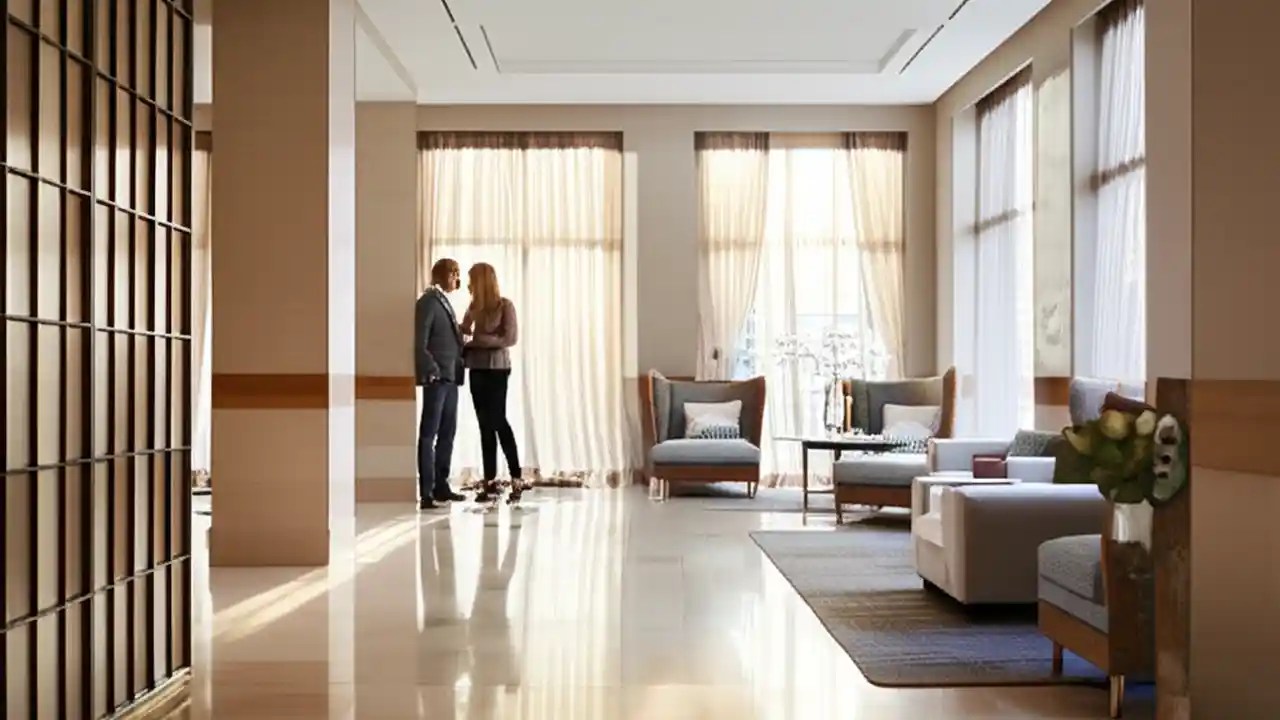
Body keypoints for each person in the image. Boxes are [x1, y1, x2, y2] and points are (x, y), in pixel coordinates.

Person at [459, 262, 523, 503]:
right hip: (476, 369)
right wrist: (460, 332)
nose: (469, 284)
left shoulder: (505, 306)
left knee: (498, 420)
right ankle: (490, 482)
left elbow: (510, 338)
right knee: (484, 425)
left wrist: (477, 341)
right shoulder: (473, 306)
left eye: (472, 280)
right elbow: (466, 331)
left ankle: (516, 476)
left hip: (498, 369)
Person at [414, 258, 467, 510]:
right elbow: (419, 341)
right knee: (429, 434)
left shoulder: (444, 301)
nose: (457, 279)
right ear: (442, 275)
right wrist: (431, 369)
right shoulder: (427, 302)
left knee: (448, 433)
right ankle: (426, 493)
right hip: (437, 378)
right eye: (454, 274)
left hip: (451, 377)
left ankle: (441, 486)